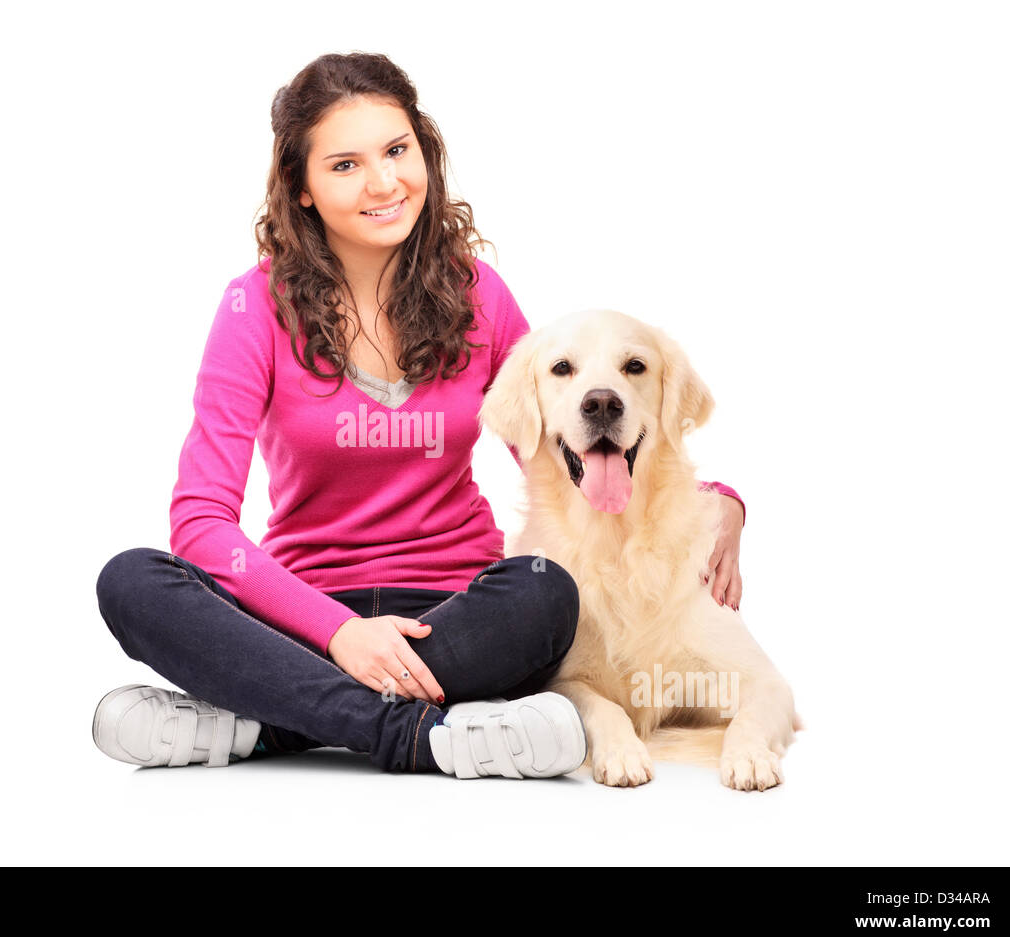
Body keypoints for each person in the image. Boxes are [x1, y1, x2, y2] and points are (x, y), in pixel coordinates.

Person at [92, 52, 747, 778]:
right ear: (300, 189)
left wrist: (720, 502)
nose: (383, 183)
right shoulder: (253, 309)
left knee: (546, 593)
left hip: (460, 615)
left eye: (397, 151)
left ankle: (265, 724)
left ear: (423, 152)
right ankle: (420, 735)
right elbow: (201, 523)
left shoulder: (479, 295)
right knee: (132, 581)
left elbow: (570, 446)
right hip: (303, 614)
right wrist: (340, 632)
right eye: (344, 165)